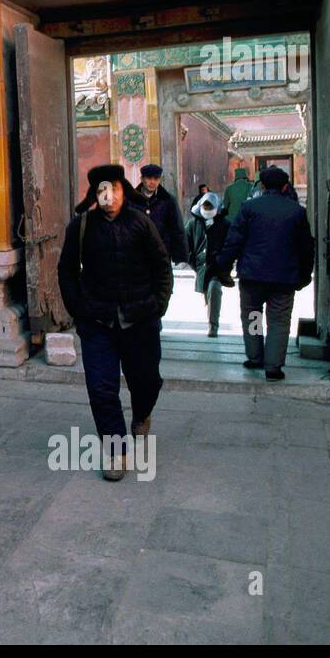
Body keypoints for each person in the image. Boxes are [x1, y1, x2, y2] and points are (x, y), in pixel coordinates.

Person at [57, 164, 172, 481]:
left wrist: (158, 305)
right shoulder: (80, 227)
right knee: (101, 388)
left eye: (114, 189)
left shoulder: (141, 223)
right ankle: (117, 450)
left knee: (147, 382)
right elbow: (66, 271)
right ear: (96, 195)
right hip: (97, 322)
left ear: (124, 190)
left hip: (141, 320)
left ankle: (142, 414)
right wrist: (79, 309)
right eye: (102, 190)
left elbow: (162, 267)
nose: (109, 196)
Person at [215, 166, 314, 381]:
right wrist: (305, 275)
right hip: (284, 278)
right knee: (279, 321)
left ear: (261, 185)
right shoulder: (296, 211)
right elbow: (306, 247)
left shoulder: (249, 208)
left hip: (252, 276)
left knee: (253, 315)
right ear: (286, 186)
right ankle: (273, 367)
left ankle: (255, 357)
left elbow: (234, 241)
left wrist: (223, 266)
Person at [185, 191, 235, 338]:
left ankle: (213, 325)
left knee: (214, 289)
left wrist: (224, 261)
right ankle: (211, 316)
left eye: (210, 208)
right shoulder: (193, 223)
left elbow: (230, 245)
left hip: (218, 267)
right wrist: (192, 260)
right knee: (207, 294)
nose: (207, 211)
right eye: (205, 207)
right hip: (201, 266)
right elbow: (186, 243)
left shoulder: (225, 224)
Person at [127, 163, 188, 265]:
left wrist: (180, 256)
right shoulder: (131, 200)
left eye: (156, 178)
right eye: (149, 178)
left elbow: (177, 228)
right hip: (137, 255)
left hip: (162, 254)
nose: (152, 182)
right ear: (142, 179)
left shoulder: (168, 200)